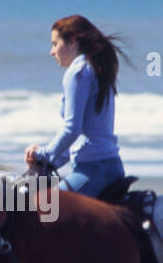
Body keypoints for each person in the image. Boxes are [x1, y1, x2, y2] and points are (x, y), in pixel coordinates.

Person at [25, 15, 127, 198]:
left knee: (42, 207)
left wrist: (42, 154)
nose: (52, 51)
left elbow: (72, 129)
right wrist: (52, 161)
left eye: (55, 44)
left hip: (92, 171)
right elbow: (83, 137)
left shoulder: (77, 72)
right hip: (110, 166)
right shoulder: (96, 68)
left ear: (72, 42)